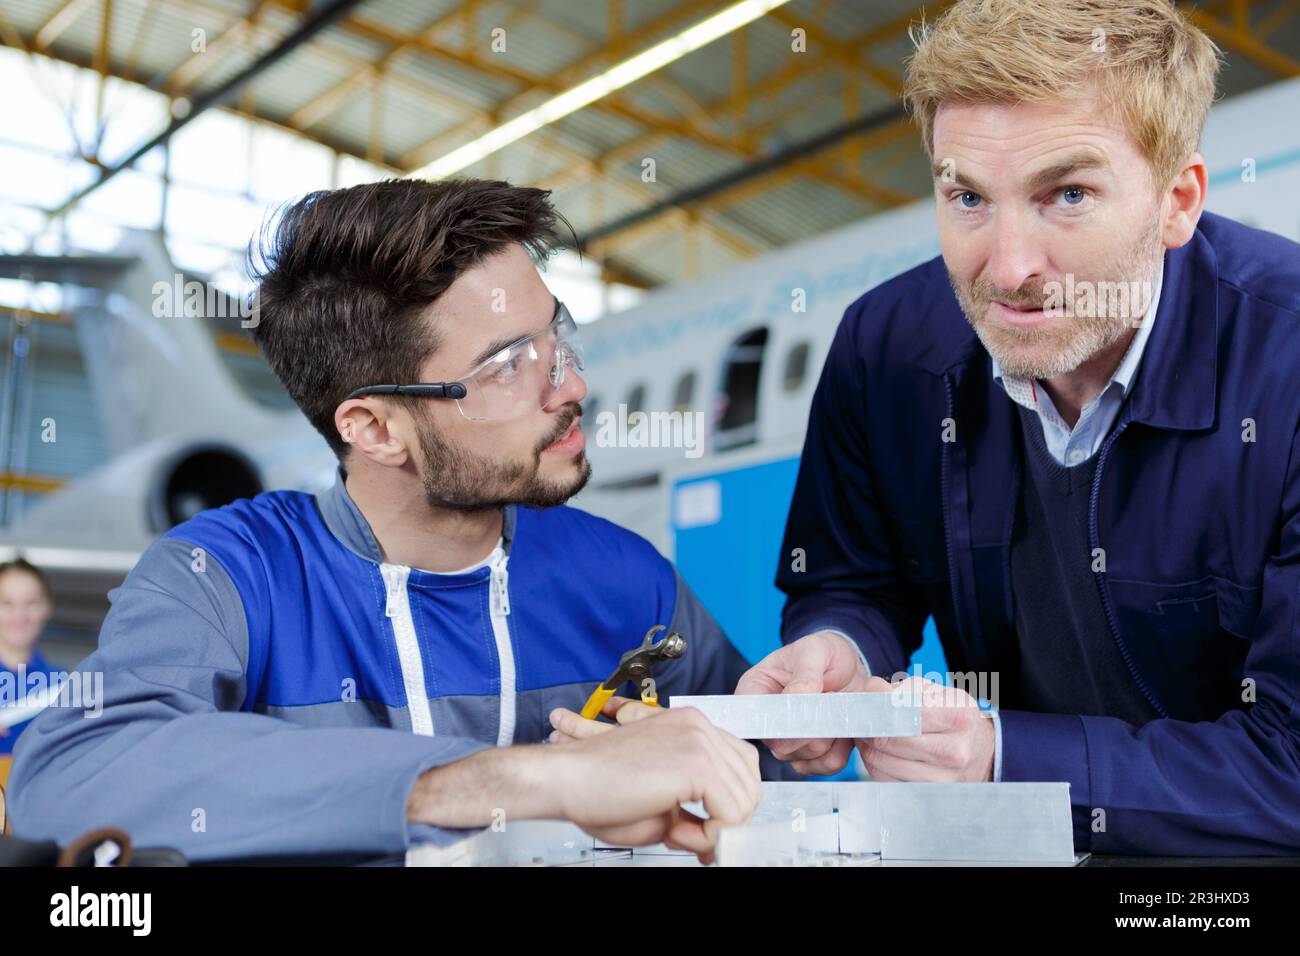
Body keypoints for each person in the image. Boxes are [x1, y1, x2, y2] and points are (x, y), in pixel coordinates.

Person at [9, 179, 766, 863]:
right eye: (508, 365)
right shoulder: (225, 576)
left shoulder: (628, 578)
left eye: (556, 338)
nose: (571, 387)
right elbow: (74, 772)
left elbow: (753, 759)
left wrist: (803, 722)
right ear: (374, 430)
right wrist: (529, 780)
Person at [739, 0, 1300, 855]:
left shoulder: (1285, 361)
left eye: (1067, 195)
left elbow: (1291, 763)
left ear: (1177, 201)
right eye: (967, 196)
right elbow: (856, 578)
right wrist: (840, 649)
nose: (1007, 270)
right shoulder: (886, 351)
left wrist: (1003, 758)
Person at [0, 559, 58, 760]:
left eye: (31, 603)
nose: (19, 616)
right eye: (7, 603)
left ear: (47, 607)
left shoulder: (65, 687)